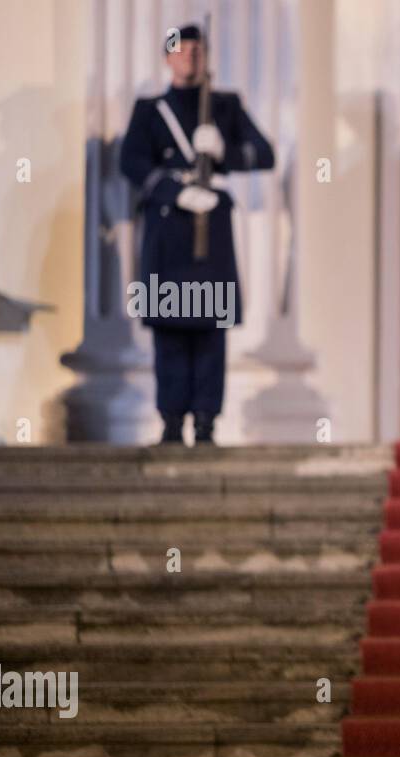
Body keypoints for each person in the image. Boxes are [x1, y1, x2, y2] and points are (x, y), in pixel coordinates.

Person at [119, 22, 275, 446]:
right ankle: (171, 423)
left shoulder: (224, 105)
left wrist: (225, 150)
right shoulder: (150, 110)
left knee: (210, 331)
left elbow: (264, 153)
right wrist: (175, 190)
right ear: (168, 57)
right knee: (169, 330)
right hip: (170, 232)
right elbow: (130, 162)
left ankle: (206, 423)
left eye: (197, 49)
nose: (190, 56)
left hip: (212, 235)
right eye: (182, 49)